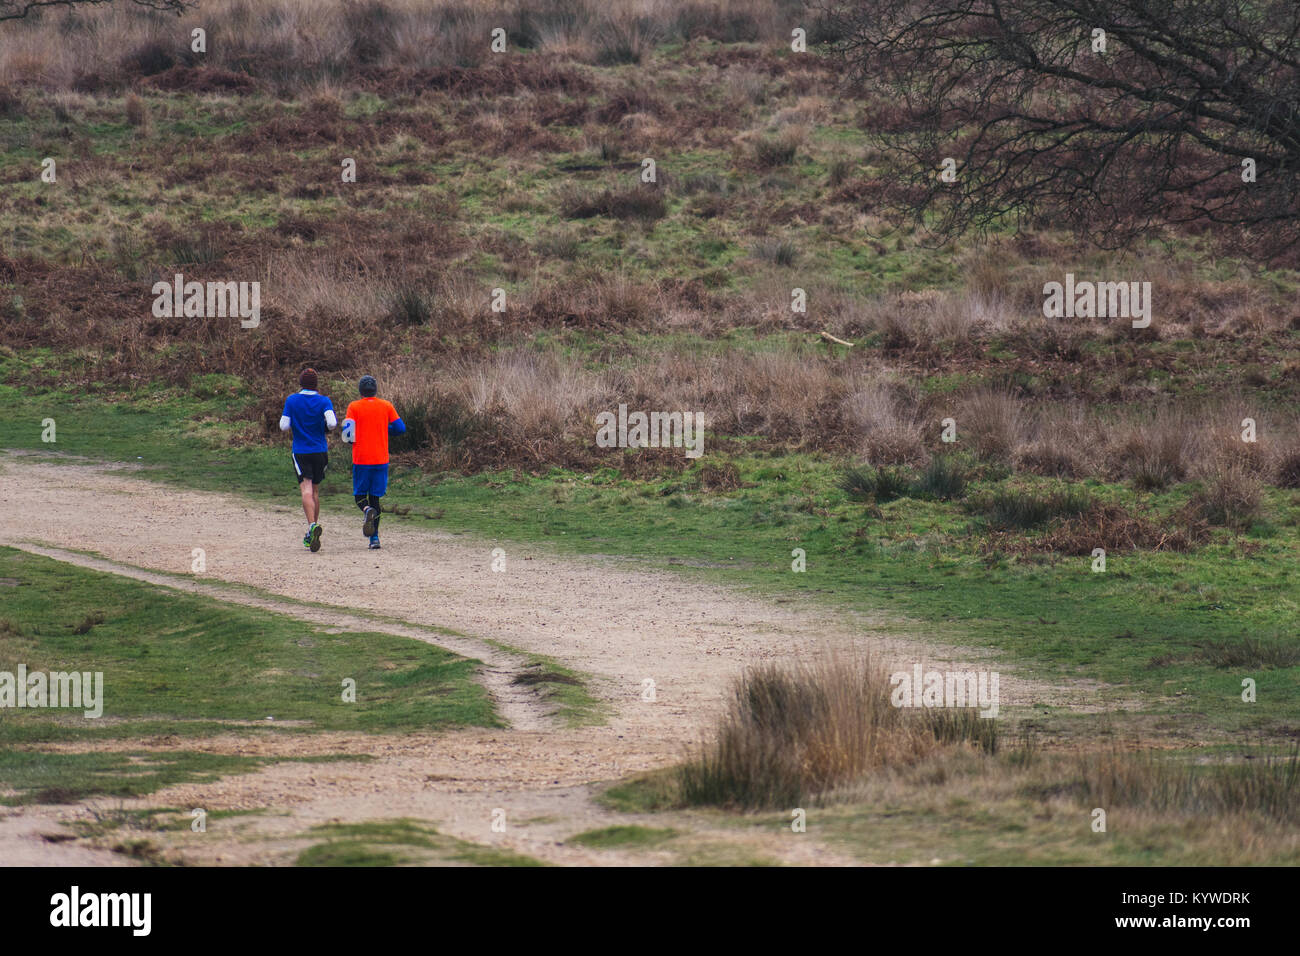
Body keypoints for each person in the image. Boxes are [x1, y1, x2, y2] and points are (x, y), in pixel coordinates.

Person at [342, 375, 405, 550]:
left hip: (361, 459)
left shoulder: (353, 407)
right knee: (375, 498)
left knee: (360, 496)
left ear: (361, 391)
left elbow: (347, 436)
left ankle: (366, 510)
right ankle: (374, 539)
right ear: (375, 390)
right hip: (381, 459)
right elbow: (401, 428)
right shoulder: (386, 406)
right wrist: (383, 428)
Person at [279, 368, 336, 552]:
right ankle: (313, 529)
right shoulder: (324, 401)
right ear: (316, 384)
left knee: (306, 489)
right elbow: (333, 423)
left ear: (301, 383)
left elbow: (283, 426)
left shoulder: (292, 400)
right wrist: (322, 427)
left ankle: (312, 527)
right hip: (320, 450)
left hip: (301, 450)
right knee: (316, 491)